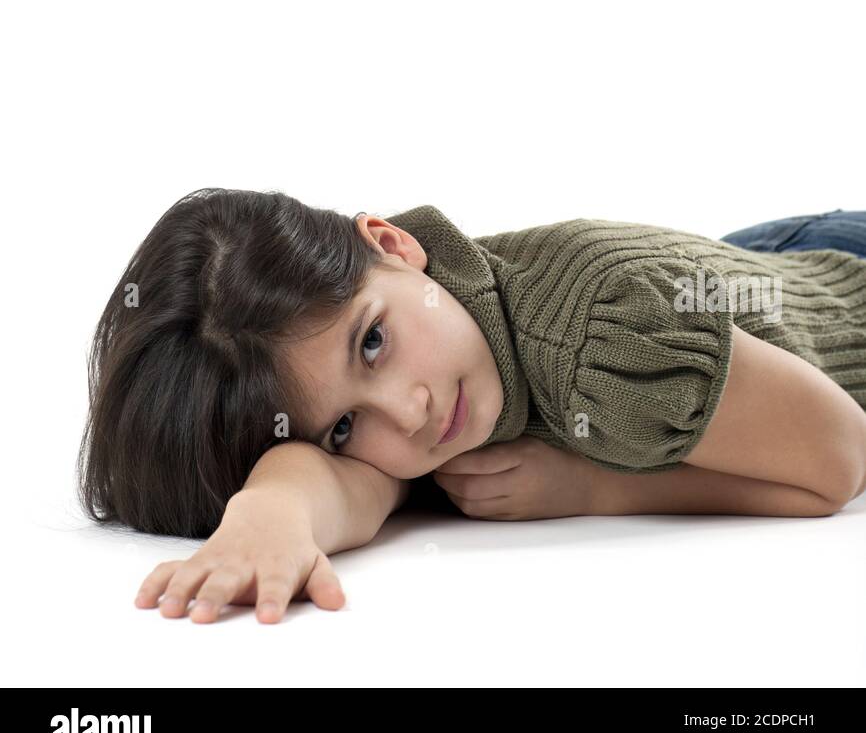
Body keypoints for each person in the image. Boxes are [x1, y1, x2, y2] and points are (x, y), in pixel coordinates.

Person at [76, 190, 866, 624]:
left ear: (392, 243)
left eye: (373, 343)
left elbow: (838, 461)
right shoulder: (434, 334)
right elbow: (331, 475)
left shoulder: (601, 337)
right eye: (346, 425)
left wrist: (599, 487)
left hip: (840, 283)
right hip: (742, 264)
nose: (410, 414)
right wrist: (267, 514)